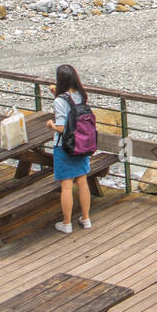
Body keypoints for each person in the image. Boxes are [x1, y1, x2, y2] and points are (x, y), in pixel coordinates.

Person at [47, 64, 93, 235]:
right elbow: (73, 109)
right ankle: (86, 218)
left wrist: (51, 125)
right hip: (82, 143)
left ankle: (67, 223)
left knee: (66, 185)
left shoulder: (59, 101)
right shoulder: (81, 95)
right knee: (82, 180)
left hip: (64, 145)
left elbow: (61, 127)